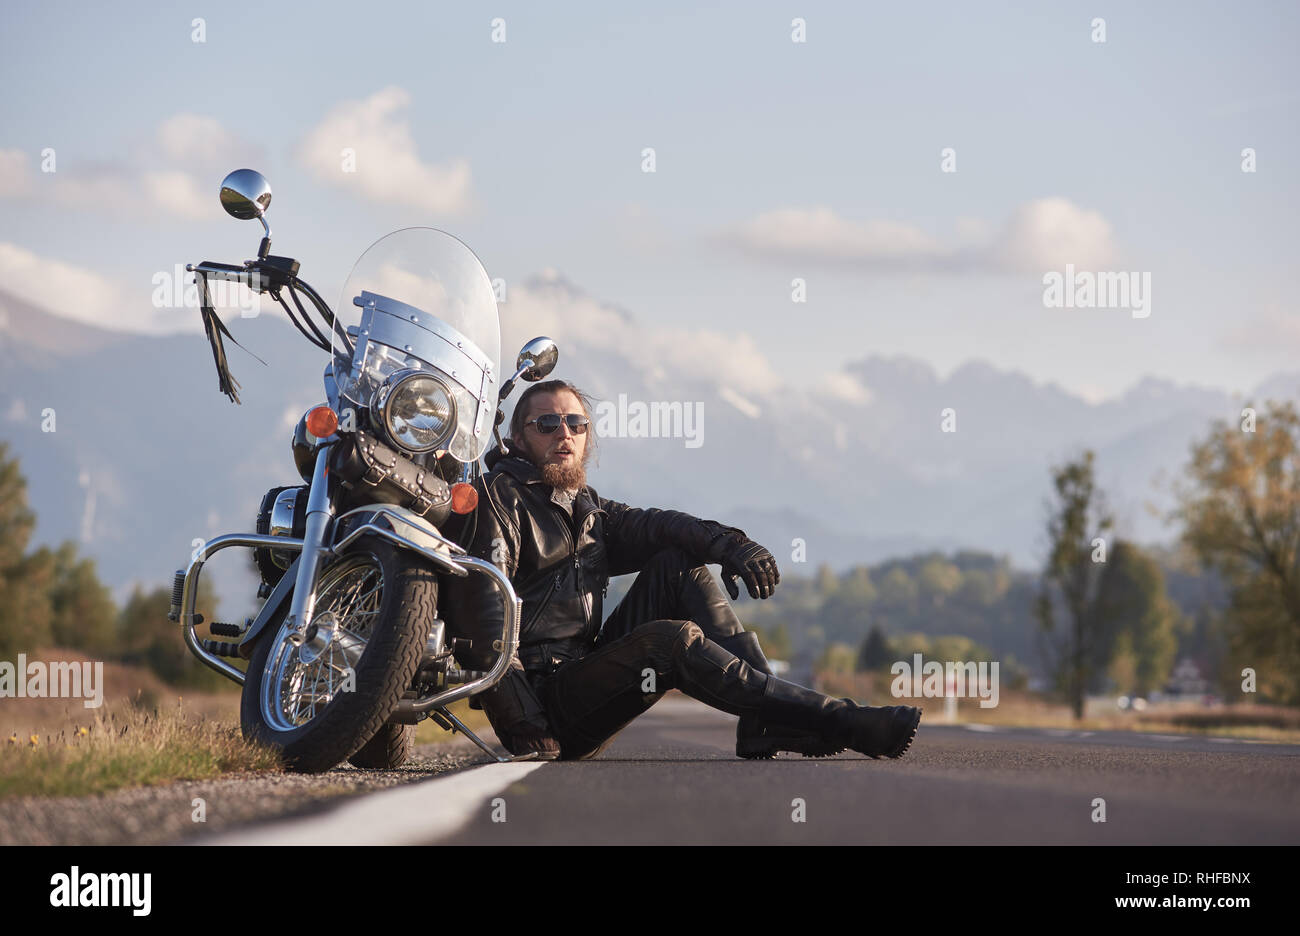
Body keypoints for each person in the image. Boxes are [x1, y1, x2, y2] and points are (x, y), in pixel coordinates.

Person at [438, 379, 921, 761]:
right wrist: (525, 723)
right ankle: (842, 719)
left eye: (575, 423)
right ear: (518, 439)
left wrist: (731, 545)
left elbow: (658, 527)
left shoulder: (584, 508)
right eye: (547, 423)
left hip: (584, 678)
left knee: (676, 564)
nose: (564, 433)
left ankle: (761, 722)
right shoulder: (498, 500)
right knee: (670, 640)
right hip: (546, 707)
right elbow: (486, 623)